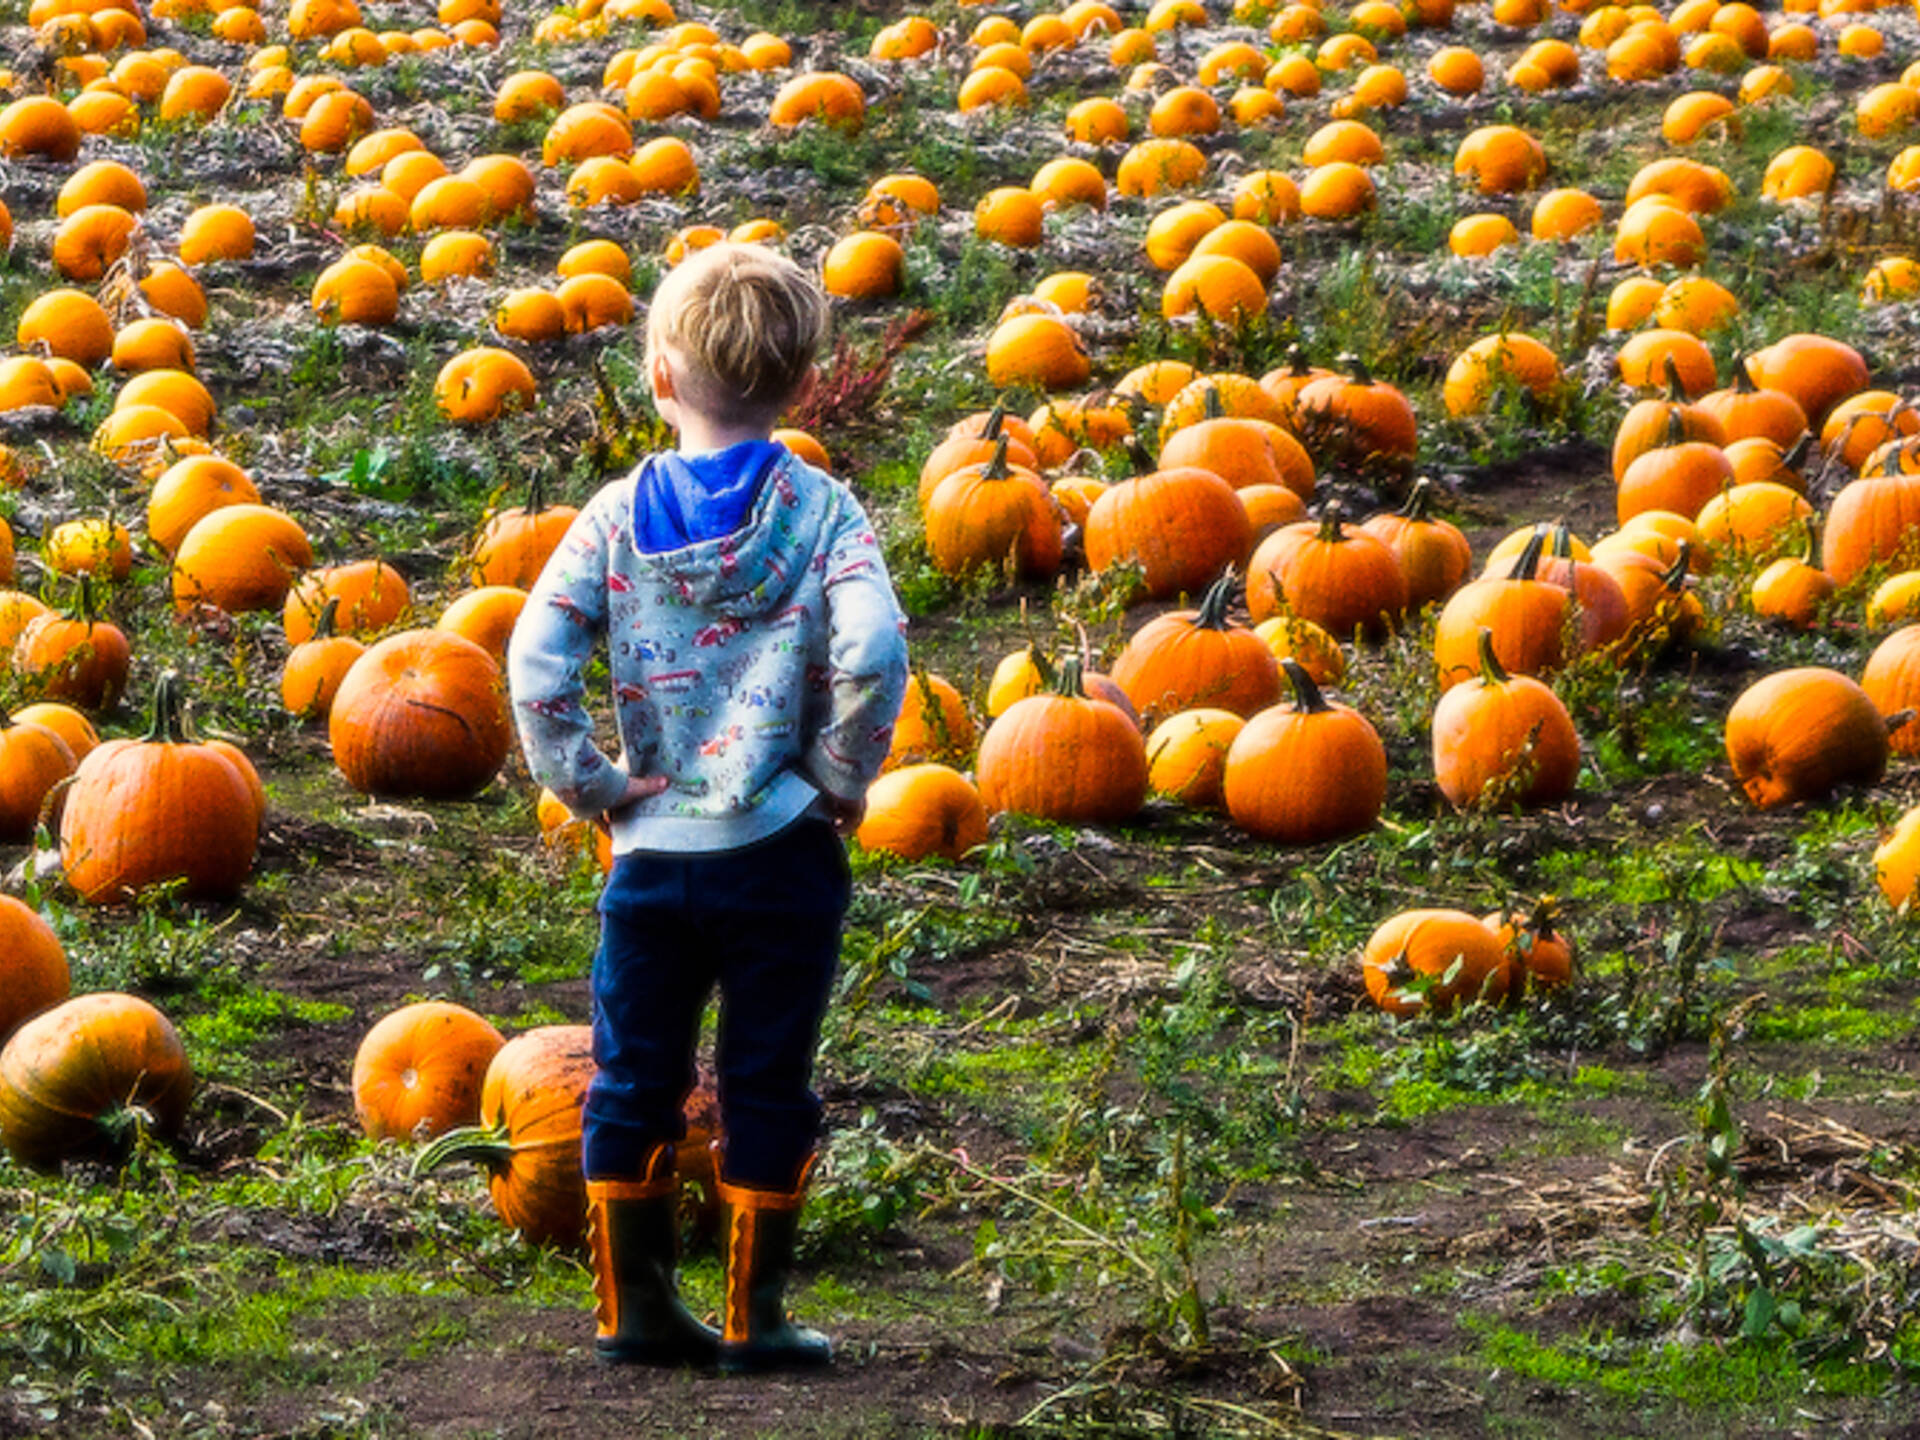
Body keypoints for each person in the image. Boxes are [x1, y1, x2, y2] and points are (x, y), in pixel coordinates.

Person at [507, 241, 909, 1374]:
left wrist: (591, 785)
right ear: (804, 386)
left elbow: (535, 664)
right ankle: (753, 1319)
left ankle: (631, 1311)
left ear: (658, 379)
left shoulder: (611, 518)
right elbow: (875, 650)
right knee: (766, 1080)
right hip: (782, 852)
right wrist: (841, 774)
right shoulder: (823, 513)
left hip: (651, 860)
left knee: (634, 1076)